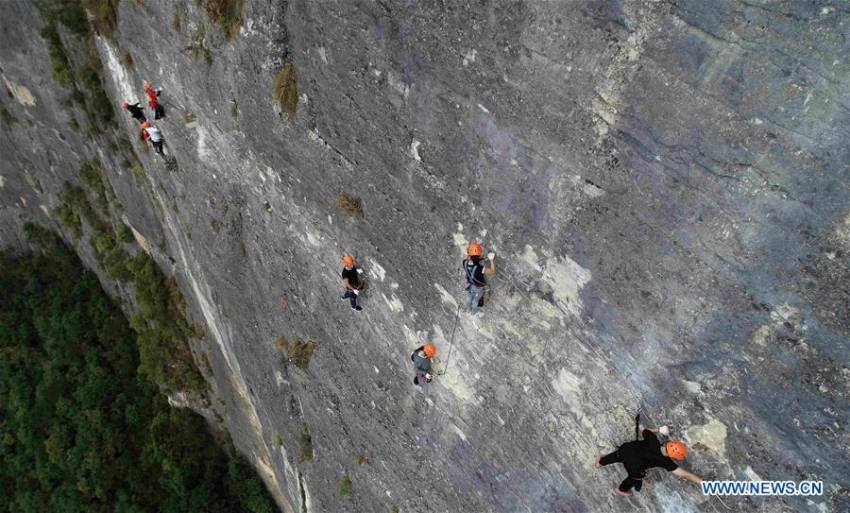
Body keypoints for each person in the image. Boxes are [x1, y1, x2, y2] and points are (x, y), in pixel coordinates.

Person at [596, 426, 703, 496]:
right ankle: (620, 490)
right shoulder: (665, 461)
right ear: (673, 458)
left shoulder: (653, 440)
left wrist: (659, 430)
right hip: (634, 466)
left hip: (626, 450)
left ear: (667, 443)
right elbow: (686, 475)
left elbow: (644, 430)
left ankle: (600, 462)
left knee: (617, 455)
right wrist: (704, 483)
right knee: (635, 478)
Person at [462, 241, 496, 314]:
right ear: (479, 256)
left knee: (468, 299)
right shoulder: (480, 268)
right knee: (475, 302)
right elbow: (492, 271)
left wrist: (472, 247)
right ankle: (475, 312)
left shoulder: (464, 263)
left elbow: (468, 257)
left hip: (470, 286)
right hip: (479, 288)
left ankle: (467, 310)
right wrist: (491, 260)